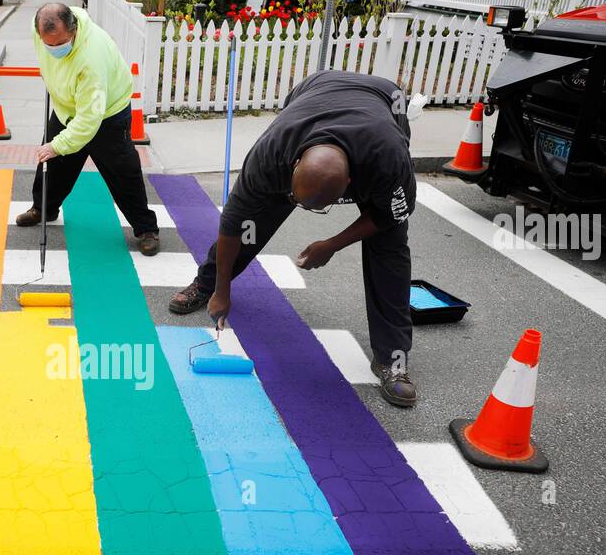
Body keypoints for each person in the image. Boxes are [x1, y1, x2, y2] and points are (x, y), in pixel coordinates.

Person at [168, 70, 419, 407]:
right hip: (316, 88)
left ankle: (392, 360)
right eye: (295, 198)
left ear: (349, 185)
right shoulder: (272, 153)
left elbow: (392, 214)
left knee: (389, 245)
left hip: (385, 101)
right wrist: (221, 290)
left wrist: (331, 244)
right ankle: (206, 283)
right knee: (254, 222)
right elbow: (234, 223)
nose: (297, 207)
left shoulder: (387, 160)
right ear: (296, 163)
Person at [16, 3, 160, 256]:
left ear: (73, 30)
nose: (53, 49)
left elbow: (89, 120)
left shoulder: (91, 57)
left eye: (60, 43)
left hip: (107, 113)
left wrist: (58, 144)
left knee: (122, 170)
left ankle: (146, 228)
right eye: (48, 44)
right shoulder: (39, 28)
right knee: (54, 164)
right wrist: (57, 148)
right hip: (66, 105)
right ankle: (43, 208)